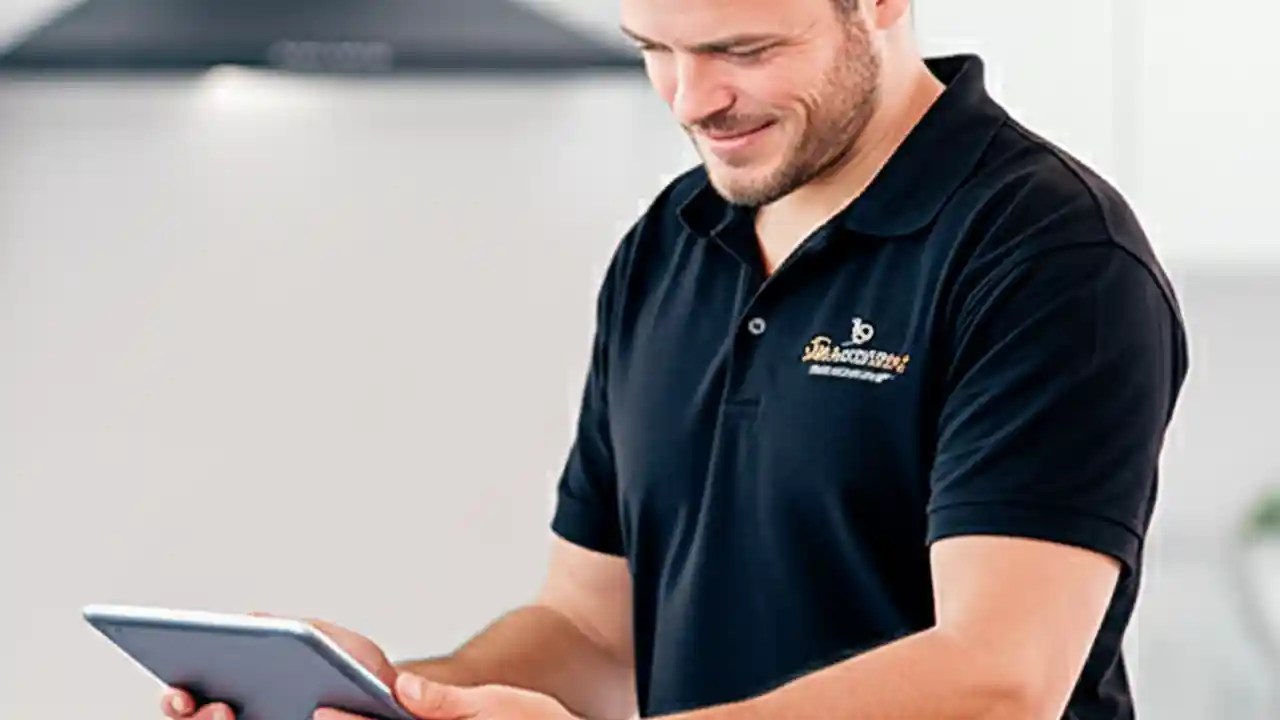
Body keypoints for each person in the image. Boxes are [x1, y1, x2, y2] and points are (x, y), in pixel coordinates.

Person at [162, 0, 1189, 718]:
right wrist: (387, 696)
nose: (689, 99)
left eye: (740, 49)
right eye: (652, 46)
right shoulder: (667, 246)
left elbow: (995, 682)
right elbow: (594, 636)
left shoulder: (1047, 253)